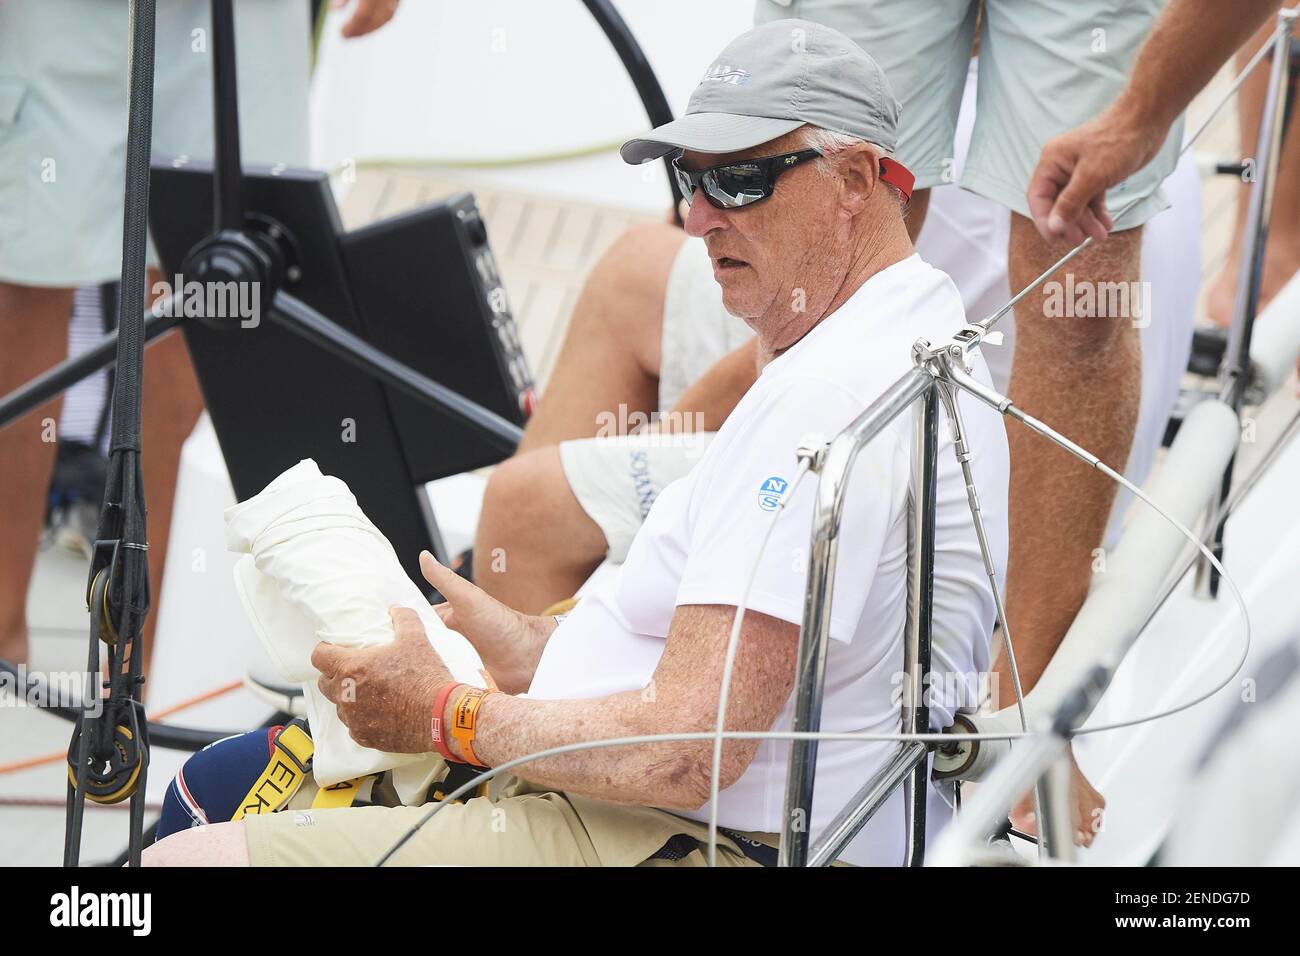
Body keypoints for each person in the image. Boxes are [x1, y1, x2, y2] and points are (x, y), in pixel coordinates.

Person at [143, 20, 1009, 867]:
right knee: (224, 780)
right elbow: (755, 693)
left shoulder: (815, 401)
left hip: (706, 833)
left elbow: (690, 750)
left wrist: (449, 714)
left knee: (194, 848)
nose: (697, 215)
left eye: (740, 181)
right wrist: (530, 646)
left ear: (856, 178)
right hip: (758, 811)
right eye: (688, 178)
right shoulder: (928, 330)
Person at [0, 0, 398, 667]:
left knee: (209, 271)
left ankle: (142, 660)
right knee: (25, 266)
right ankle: (4, 631)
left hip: (240, 19)